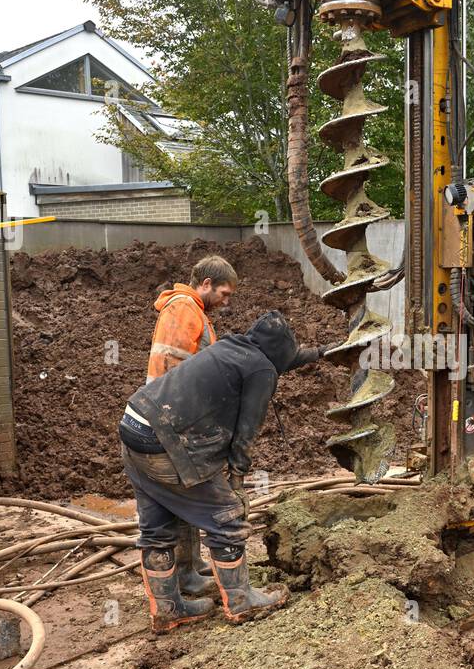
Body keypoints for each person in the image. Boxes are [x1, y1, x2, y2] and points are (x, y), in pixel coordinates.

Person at [121, 311, 324, 630]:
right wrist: (237, 480)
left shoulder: (233, 347)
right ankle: (242, 602)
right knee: (226, 515)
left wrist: (325, 352)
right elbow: (247, 432)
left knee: (157, 528)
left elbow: (284, 359)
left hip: (134, 425)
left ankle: (167, 609)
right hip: (165, 441)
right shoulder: (261, 369)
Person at [146, 255, 238, 599]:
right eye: (224, 294)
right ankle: (184, 574)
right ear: (205, 285)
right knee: (182, 497)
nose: (226, 302)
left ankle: (191, 563)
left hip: (177, 417)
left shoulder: (193, 310)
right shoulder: (183, 308)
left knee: (184, 493)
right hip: (174, 420)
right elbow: (175, 368)